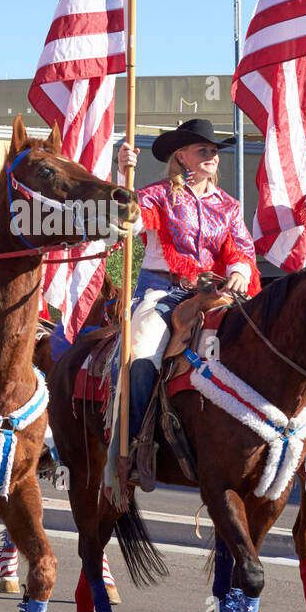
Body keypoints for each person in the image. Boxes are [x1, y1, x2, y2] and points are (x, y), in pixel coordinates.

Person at [112, 117, 261, 448]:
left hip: (212, 291)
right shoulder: (156, 196)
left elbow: (242, 249)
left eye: (214, 150)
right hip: (161, 291)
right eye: (202, 150)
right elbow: (128, 223)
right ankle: (134, 441)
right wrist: (124, 177)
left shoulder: (229, 205)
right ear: (181, 156)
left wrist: (239, 271)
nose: (212, 155)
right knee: (141, 354)